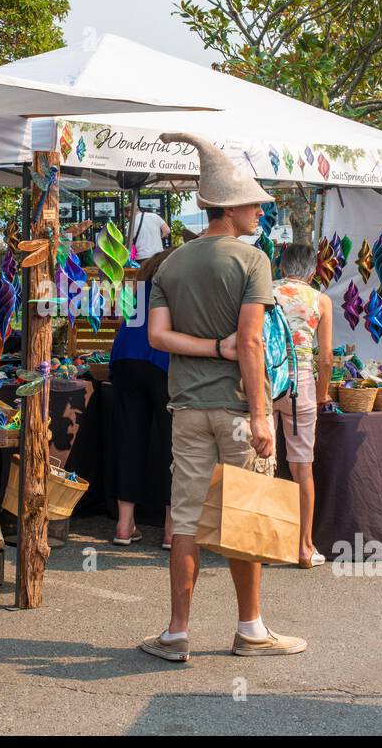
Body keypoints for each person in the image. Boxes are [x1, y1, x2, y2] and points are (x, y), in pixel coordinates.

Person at [140, 131, 306, 663]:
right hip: (238, 410)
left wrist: (211, 347)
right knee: (247, 516)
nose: (260, 210)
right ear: (230, 208)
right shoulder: (252, 261)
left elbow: (158, 338)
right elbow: (252, 341)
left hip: (186, 409)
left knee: (185, 521)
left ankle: (176, 633)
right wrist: (261, 414)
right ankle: (250, 629)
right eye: (255, 203)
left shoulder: (171, 263)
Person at [226, 243, 332, 568]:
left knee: (262, 463)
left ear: (281, 265)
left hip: (266, 380)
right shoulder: (321, 301)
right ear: (313, 270)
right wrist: (324, 393)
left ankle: (264, 545)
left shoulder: (266, 292)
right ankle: (304, 547)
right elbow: (325, 358)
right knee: (302, 466)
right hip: (302, 384)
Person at [108, 248, 174, 548]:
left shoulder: (141, 288)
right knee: (173, 446)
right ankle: (173, 529)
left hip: (124, 361)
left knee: (127, 440)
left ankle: (124, 525)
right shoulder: (174, 286)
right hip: (162, 363)